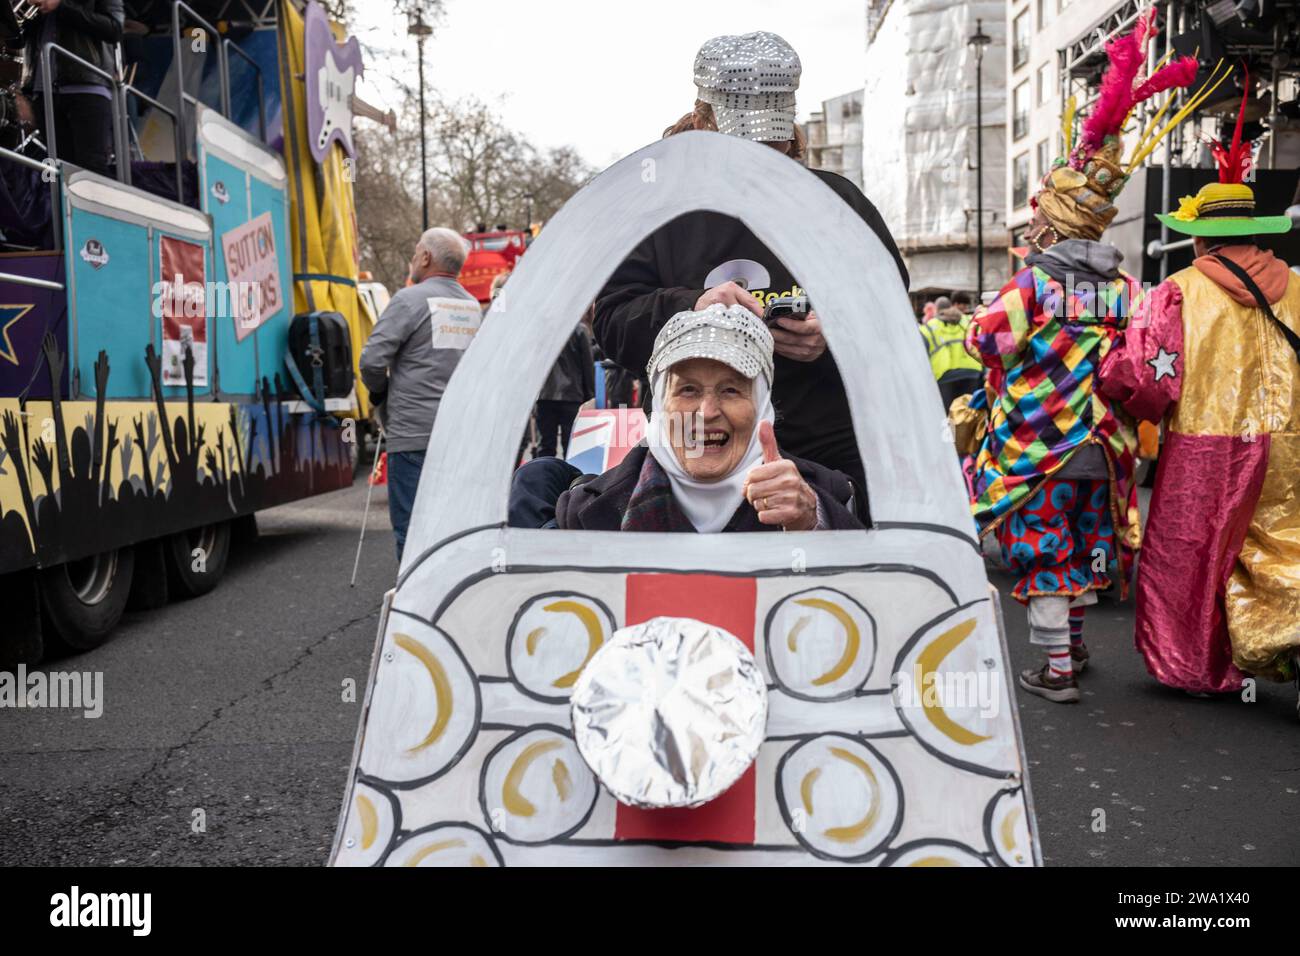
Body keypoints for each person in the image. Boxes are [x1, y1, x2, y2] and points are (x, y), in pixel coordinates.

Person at [966, 13, 1199, 703]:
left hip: (1037, 447)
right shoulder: (1127, 287)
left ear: (1052, 222)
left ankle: (1058, 671)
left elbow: (986, 341)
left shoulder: (1032, 284)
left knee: (1044, 551)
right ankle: (1073, 648)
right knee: (1084, 550)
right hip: (1103, 448)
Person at [593, 31, 908, 517]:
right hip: (694, 459)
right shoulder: (657, 210)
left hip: (825, 453)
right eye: (744, 146)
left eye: (774, 145)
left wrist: (837, 334)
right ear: (703, 120)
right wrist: (692, 309)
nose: (761, 162)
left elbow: (894, 322)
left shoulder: (839, 205)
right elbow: (613, 322)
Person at [1098, 78, 1300, 705]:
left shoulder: (1177, 291)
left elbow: (1142, 378)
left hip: (1207, 444)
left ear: (1200, 237)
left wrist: (1121, 405)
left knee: (1191, 557)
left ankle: (1198, 669)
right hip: (1289, 444)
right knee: (1280, 546)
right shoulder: (1295, 285)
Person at [510, 304, 862, 533]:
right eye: (688, 390)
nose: (707, 413)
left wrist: (811, 525)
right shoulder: (588, 512)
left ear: (762, 407)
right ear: (660, 406)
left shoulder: (824, 495)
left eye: (730, 391)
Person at [359, 227, 477, 559]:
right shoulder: (471, 307)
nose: (413, 259)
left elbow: (371, 361)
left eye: (414, 252)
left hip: (414, 434)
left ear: (425, 257)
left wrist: (380, 394)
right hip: (460, 438)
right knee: (455, 529)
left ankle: (415, 604)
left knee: (413, 533)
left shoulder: (409, 299)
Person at [15, 0, 124, 178]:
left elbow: (114, 29)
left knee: (91, 170)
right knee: (56, 172)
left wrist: (61, 6)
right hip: (44, 90)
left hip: (87, 86)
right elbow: (20, 39)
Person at [535, 320, 595, 458]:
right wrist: (590, 395)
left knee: (545, 445)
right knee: (571, 445)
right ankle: (570, 478)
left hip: (544, 394)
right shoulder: (579, 330)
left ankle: (544, 477)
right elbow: (587, 365)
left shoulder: (541, 331)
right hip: (572, 395)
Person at [919, 293, 983, 411]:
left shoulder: (929, 327)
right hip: (972, 372)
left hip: (944, 376)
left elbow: (921, 354)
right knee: (970, 414)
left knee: (949, 417)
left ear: (937, 309)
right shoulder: (967, 320)